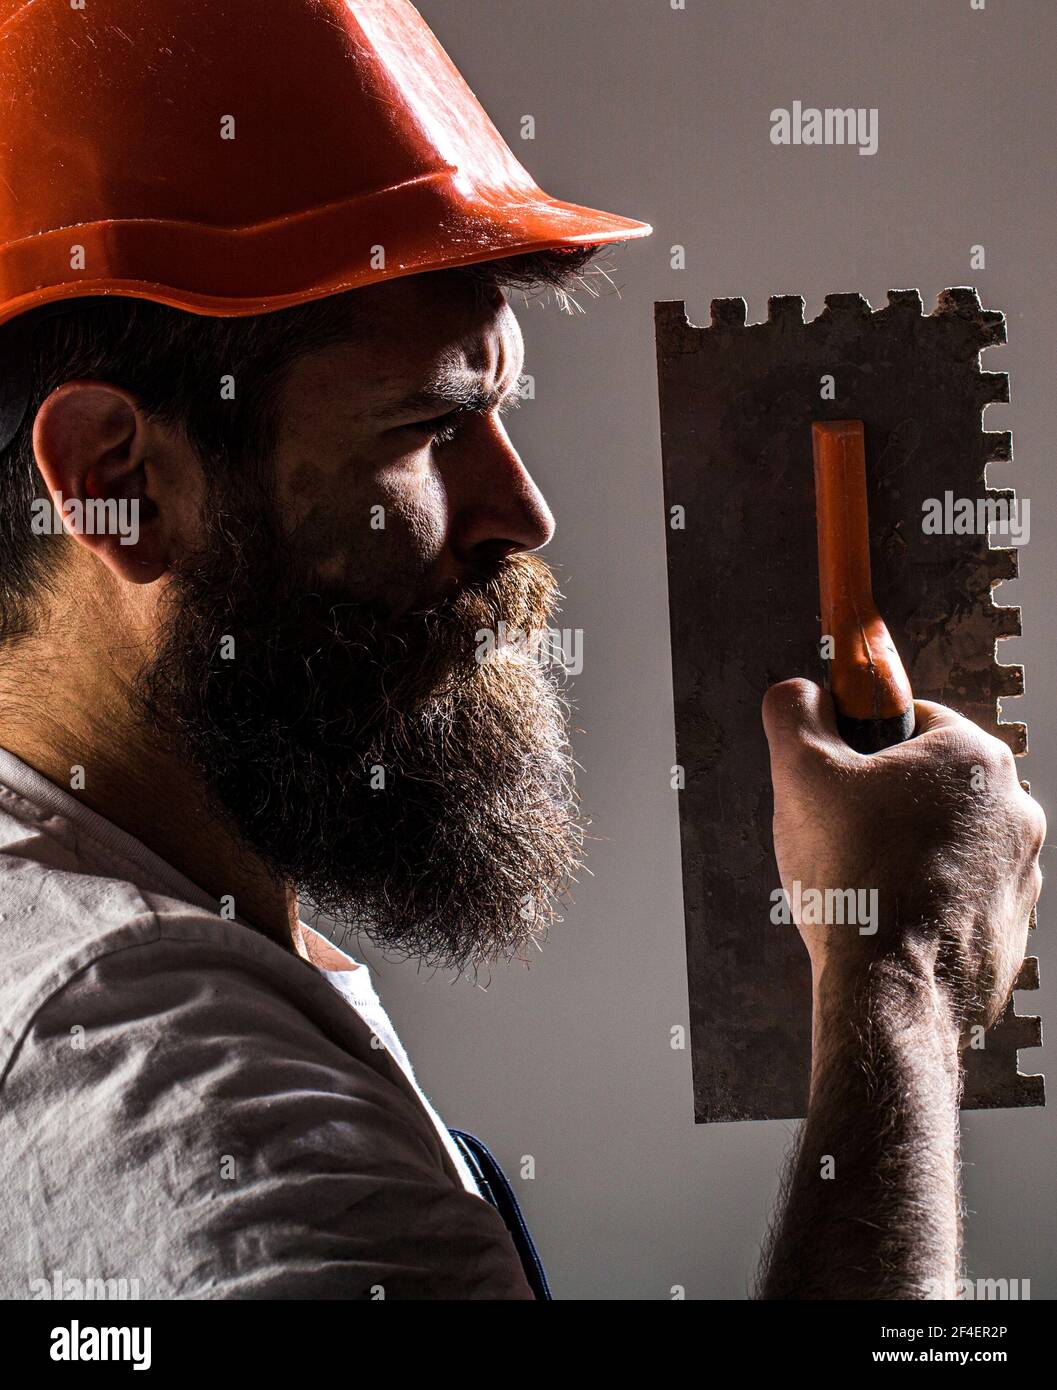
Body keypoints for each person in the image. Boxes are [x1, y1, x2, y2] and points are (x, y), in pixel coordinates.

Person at [0, 0, 1043, 1300]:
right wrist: (902, 985)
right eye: (433, 424)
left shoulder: (133, 917)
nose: (525, 513)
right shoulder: (181, 1091)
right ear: (119, 482)